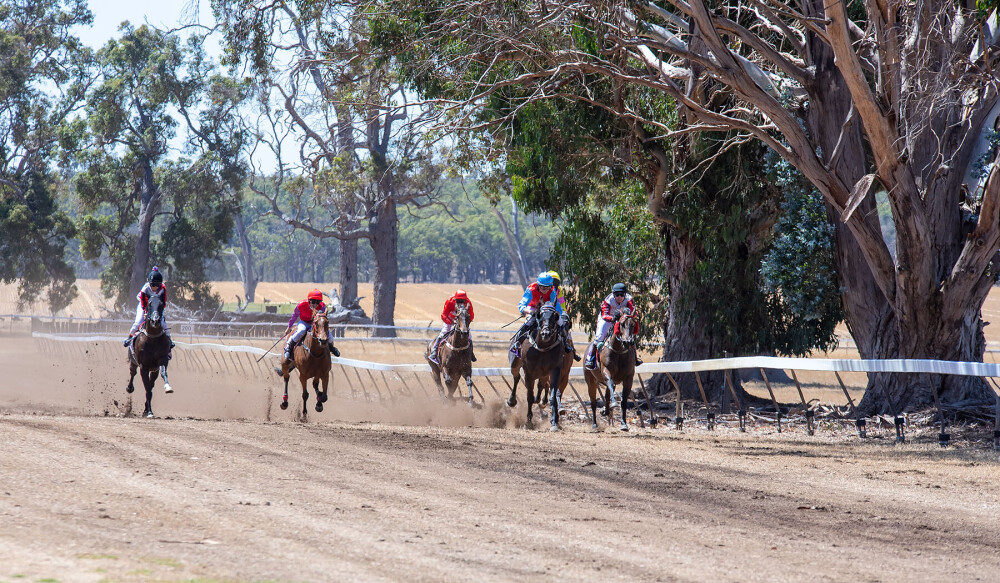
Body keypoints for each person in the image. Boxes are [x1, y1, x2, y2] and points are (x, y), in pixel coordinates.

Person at [509, 271, 573, 359]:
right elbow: (521, 305)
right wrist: (529, 311)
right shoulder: (531, 289)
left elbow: (558, 307)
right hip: (533, 308)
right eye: (543, 288)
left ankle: (565, 343)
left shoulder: (552, 291)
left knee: (560, 322)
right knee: (529, 321)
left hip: (546, 309)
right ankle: (517, 343)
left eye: (547, 288)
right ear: (538, 285)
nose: (546, 290)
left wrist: (557, 313)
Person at [585, 282, 642, 369]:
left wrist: (627, 317)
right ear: (613, 294)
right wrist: (613, 318)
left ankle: (635, 358)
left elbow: (634, 312)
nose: (619, 297)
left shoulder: (629, 299)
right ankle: (590, 359)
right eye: (617, 294)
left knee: (630, 338)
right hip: (607, 319)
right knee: (599, 337)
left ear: (625, 294)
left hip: (623, 318)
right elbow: (604, 314)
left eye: (621, 295)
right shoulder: (609, 300)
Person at [282, 289, 339, 368]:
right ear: (309, 300)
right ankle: (289, 347)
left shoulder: (322, 307)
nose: (315, 304)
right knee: (301, 331)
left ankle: (331, 347)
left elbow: (323, 318)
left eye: (317, 302)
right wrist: (288, 327)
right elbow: (294, 316)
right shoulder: (301, 305)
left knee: (330, 337)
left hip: (316, 324)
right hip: (304, 322)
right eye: (313, 301)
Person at [123, 267, 174, 351]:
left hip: (157, 306)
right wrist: (146, 312)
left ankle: (169, 339)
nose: (155, 287)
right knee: (138, 322)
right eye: (153, 284)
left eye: (157, 285)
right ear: (149, 283)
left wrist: (160, 312)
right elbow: (143, 302)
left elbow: (163, 302)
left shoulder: (163, 288)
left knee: (163, 323)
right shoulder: (145, 288)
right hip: (144, 305)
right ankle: (129, 337)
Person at [427, 289, 477, 365]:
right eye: (458, 301)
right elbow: (444, 315)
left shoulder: (468, 303)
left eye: (462, 301)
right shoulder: (450, 301)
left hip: (461, 321)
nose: (460, 303)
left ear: (465, 300)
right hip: (449, 320)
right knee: (444, 331)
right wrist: (451, 322)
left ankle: (471, 354)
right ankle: (434, 352)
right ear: (455, 299)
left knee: (469, 335)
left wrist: (464, 324)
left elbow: (471, 316)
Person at [546, 270, 580, 361]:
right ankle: (518, 345)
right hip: (543, 312)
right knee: (529, 324)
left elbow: (562, 303)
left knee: (565, 327)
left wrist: (564, 313)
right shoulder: (543, 288)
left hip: (555, 311)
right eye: (553, 282)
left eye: (556, 282)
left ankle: (569, 347)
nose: (555, 285)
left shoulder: (558, 290)